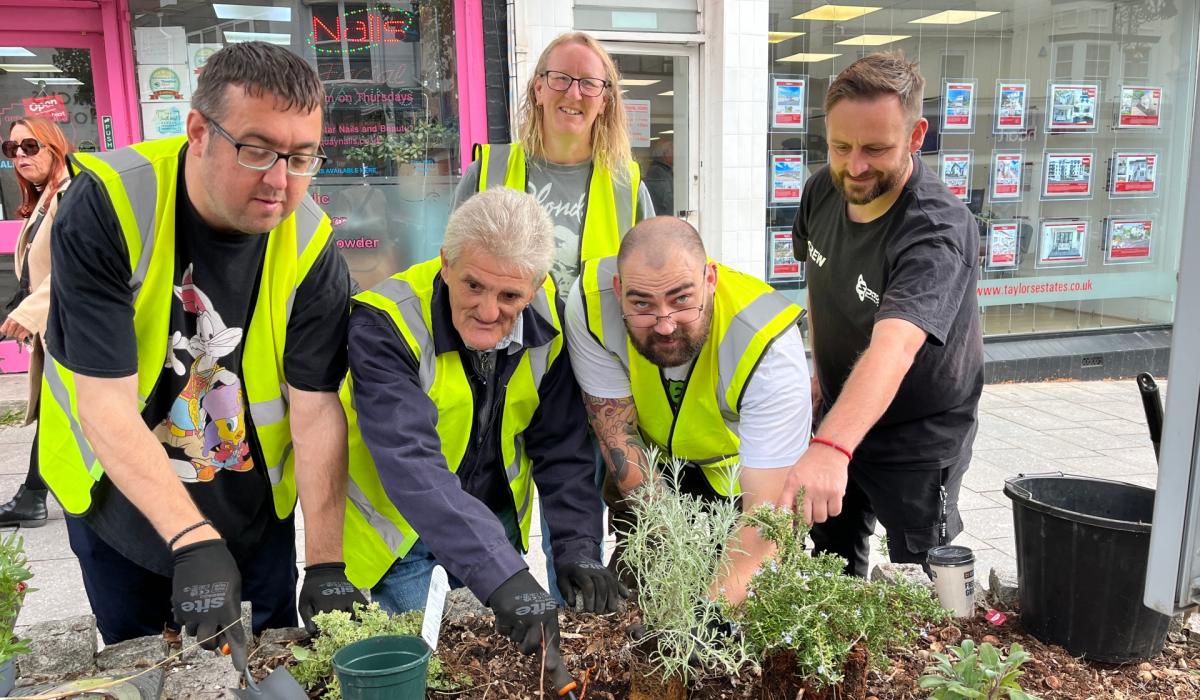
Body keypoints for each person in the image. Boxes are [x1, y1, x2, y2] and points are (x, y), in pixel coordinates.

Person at [40, 42, 364, 665]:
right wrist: (191, 541)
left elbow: (316, 406)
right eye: (257, 149)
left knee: (266, 667)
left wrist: (325, 562)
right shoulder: (109, 204)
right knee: (147, 668)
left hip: (250, 509)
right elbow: (103, 402)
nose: (279, 181)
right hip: (121, 504)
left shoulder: (313, 243)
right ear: (198, 131)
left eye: (301, 157)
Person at [340, 187, 623, 658]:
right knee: (437, 668)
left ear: (534, 288)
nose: (489, 311)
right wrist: (504, 576)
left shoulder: (549, 316)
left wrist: (577, 548)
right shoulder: (384, 322)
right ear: (445, 263)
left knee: (504, 668)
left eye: (510, 295)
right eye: (473, 285)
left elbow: (562, 448)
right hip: (404, 537)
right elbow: (412, 465)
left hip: (496, 526)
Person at [453, 31, 654, 597]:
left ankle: (586, 625)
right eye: (561, 77)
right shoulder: (489, 170)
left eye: (590, 82)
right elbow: (455, 269)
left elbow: (646, 282)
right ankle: (511, 612)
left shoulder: (626, 184)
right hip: (504, 367)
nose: (575, 92)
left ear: (606, 98)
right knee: (496, 495)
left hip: (598, 376)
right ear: (538, 87)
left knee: (587, 512)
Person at [781, 52, 984, 578]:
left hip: (918, 431)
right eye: (840, 146)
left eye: (875, 148)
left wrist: (828, 445)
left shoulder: (937, 230)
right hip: (842, 410)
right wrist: (818, 378)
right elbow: (817, 278)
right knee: (831, 559)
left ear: (917, 135)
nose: (855, 166)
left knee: (923, 576)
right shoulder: (822, 190)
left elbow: (894, 346)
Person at [564, 216, 812, 605]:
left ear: (710, 279)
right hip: (653, 472)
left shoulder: (769, 344)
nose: (664, 325)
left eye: (681, 300)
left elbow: (767, 519)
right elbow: (618, 436)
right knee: (639, 604)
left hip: (740, 487)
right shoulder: (590, 304)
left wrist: (704, 618)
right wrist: (671, 559)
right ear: (618, 289)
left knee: (745, 611)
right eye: (642, 304)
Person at [0, 117, 72, 527]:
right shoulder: (46, 197)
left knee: (65, 407)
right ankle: (35, 494)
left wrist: (29, 312)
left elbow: (74, 267)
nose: (20, 157)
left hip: (73, 323)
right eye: (12, 150)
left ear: (54, 146)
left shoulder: (71, 193)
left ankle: (34, 495)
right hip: (56, 322)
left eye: (30, 146)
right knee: (58, 408)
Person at [643, 138, 674, 217]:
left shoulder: (665, 170)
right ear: (665, 154)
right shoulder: (657, 172)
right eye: (672, 150)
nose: (675, 154)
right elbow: (667, 202)